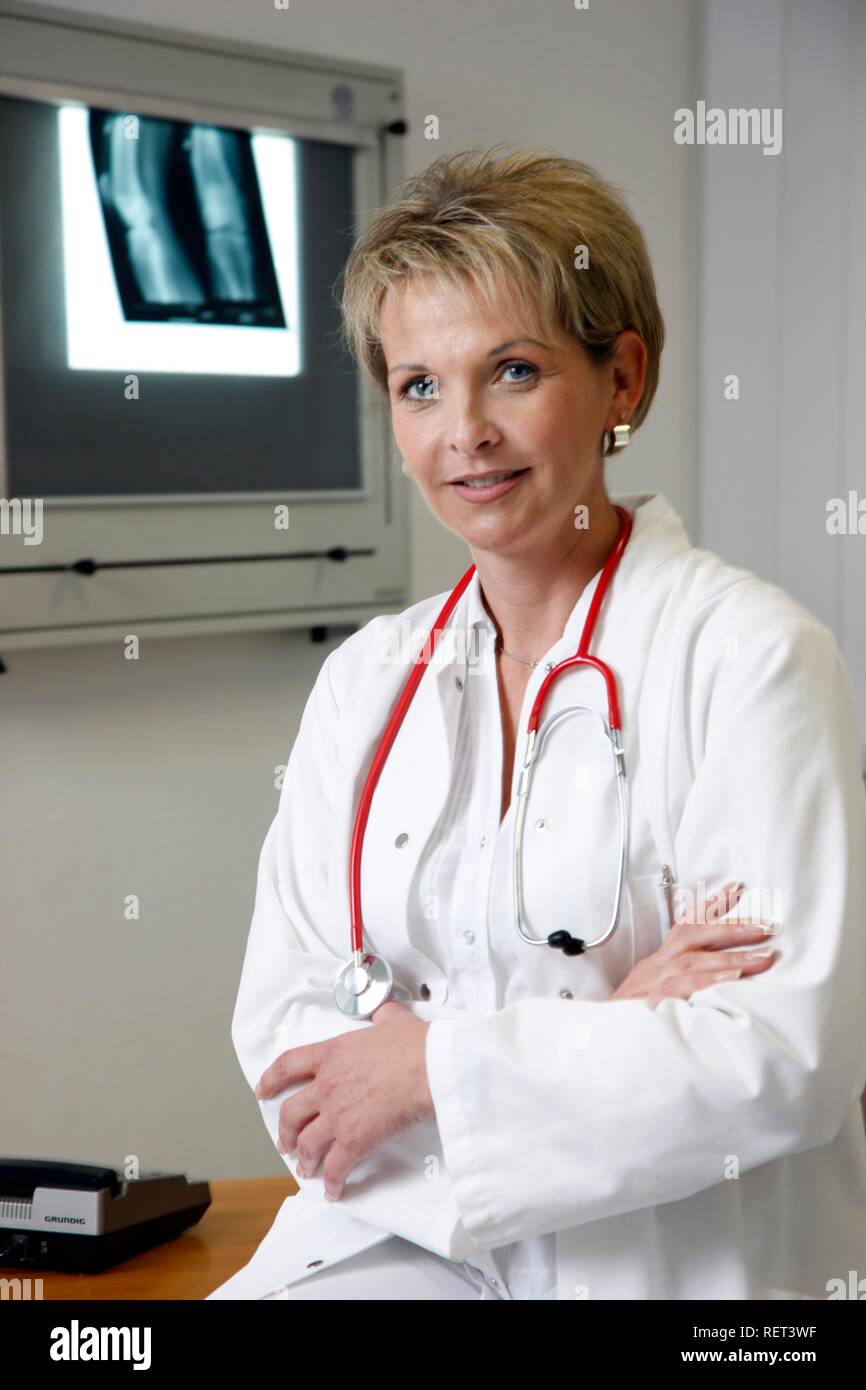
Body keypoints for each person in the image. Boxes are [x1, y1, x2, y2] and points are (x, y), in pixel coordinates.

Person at [207, 148, 866, 1301]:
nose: (462, 431)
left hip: (671, 1269)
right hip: (394, 1250)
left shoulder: (749, 659)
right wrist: (609, 1026)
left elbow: (775, 1057)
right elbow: (298, 1064)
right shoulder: (365, 684)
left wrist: (424, 1061)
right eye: (418, 385)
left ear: (620, 380)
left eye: (510, 371)